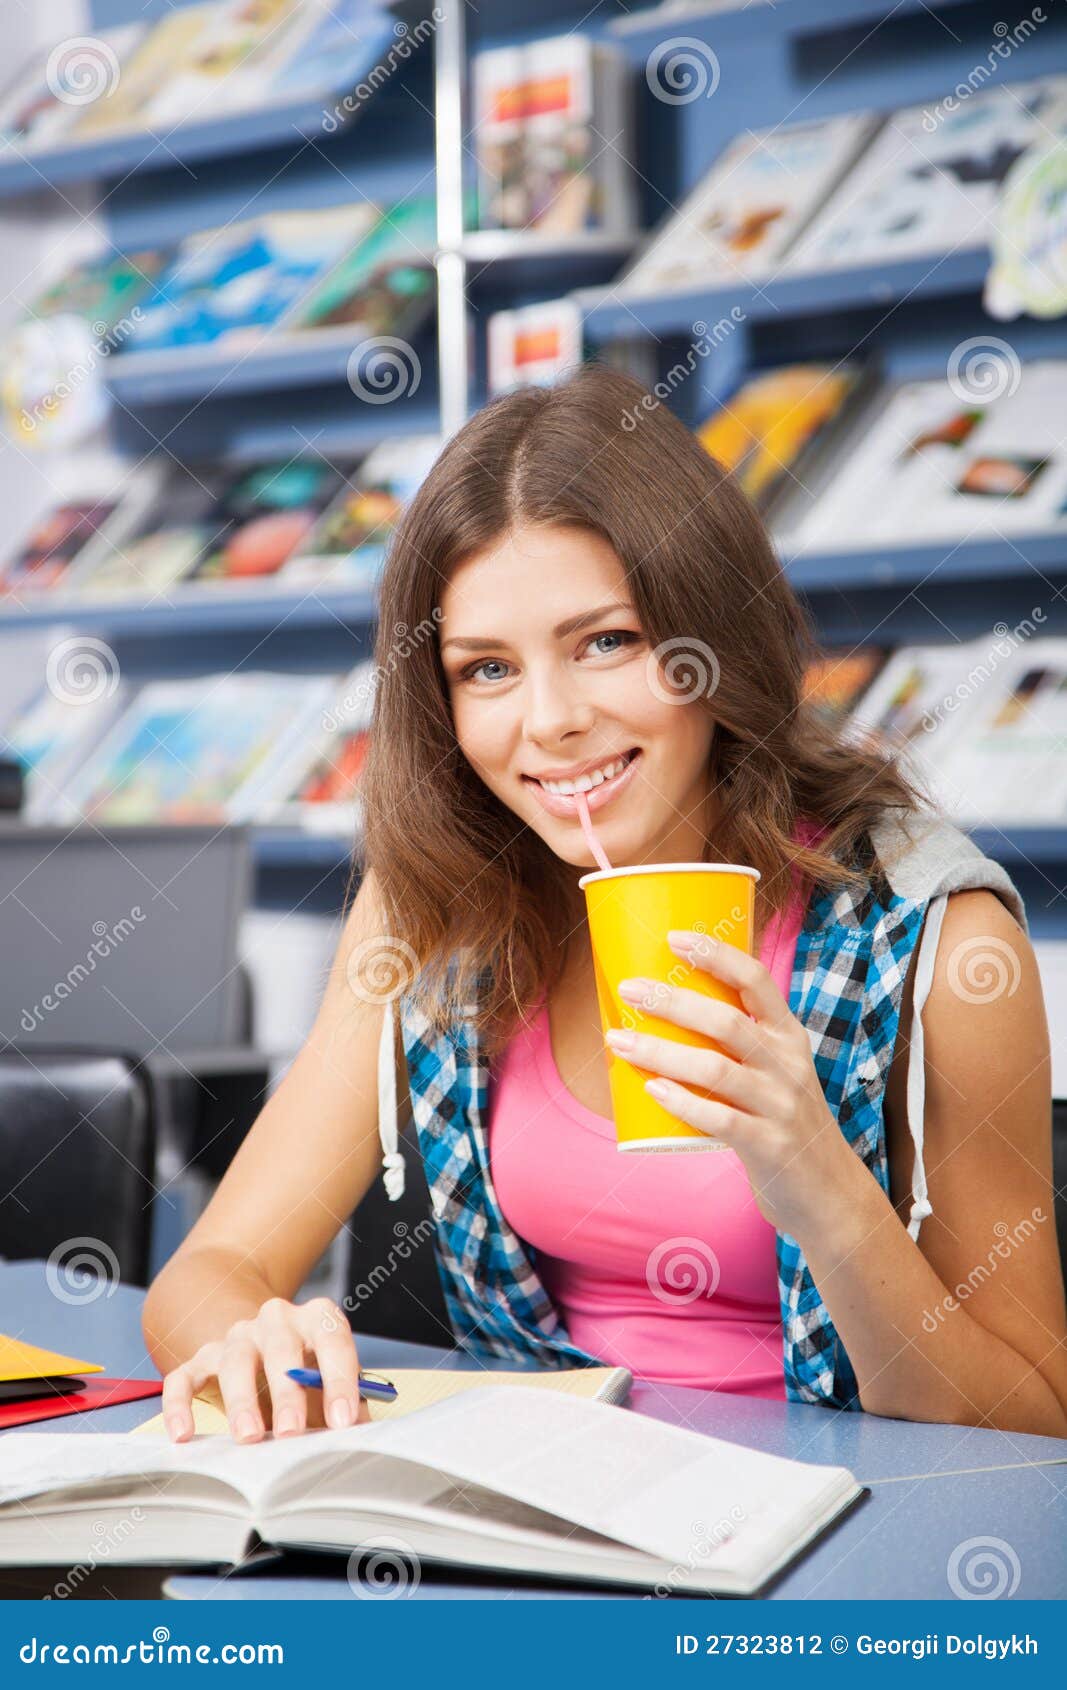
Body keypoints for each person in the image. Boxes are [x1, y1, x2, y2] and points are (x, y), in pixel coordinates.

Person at [143, 364, 1067, 1443]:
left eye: (606, 642)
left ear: (707, 639)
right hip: (534, 1528)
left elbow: (1031, 1425)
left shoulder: (934, 946)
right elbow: (207, 1270)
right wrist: (251, 1336)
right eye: (485, 669)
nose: (550, 720)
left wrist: (820, 1183)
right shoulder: (430, 914)